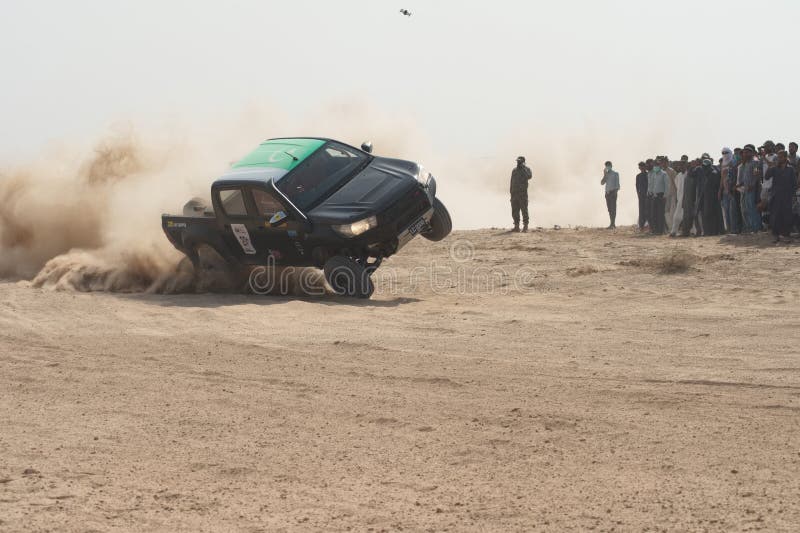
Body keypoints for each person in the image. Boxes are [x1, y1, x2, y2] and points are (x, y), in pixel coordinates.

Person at [766, 150, 796, 243]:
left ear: (785, 157)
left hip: (787, 196)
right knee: (775, 215)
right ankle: (776, 235)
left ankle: (786, 234)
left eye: (781, 157)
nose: (779, 158)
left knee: (787, 215)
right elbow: (767, 176)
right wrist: (770, 166)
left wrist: (792, 195)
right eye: (778, 157)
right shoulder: (774, 169)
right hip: (776, 196)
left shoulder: (790, 169)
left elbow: (794, 183)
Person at [737, 144, 762, 233]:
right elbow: (744, 178)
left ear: (751, 153)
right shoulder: (745, 163)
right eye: (744, 153)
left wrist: (753, 185)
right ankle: (749, 227)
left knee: (752, 208)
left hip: (752, 189)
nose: (745, 154)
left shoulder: (755, 162)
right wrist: (739, 185)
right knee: (745, 209)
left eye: (747, 152)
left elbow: (757, 175)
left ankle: (756, 227)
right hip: (744, 189)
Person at [697, 156, 724, 235]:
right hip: (705, 196)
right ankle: (708, 231)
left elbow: (714, 187)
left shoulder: (714, 173)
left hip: (712, 197)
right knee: (705, 214)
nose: (704, 168)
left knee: (712, 214)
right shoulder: (704, 174)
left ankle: (713, 231)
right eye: (703, 166)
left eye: (706, 166)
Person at [720, 147, 740, 234]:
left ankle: (734, 229)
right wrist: (720, 190)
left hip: (732, 189)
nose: (725, 154)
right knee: (726, 211)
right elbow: (722, 178)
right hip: (725, 190)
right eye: (723, 152)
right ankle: (728, 229)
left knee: (733, 211)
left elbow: (736, 175)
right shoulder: (723, 164)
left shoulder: (733, 162)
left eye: (726, 152)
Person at [509, 156, 532, 232]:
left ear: (523, 162)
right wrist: (511, 193)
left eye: (519, 161)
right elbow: (511, 182)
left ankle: (525, 226)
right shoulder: (514, 170)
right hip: (514, 194)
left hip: (523, 194)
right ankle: (516, 226)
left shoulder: (527, 169)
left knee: (524, 210)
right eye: (517, 161)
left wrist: (524, 168)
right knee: (515, 211)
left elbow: (529, 176)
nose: (518, 163)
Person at [649, 161, 669, 234]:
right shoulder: (653, 174)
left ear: (660, 166)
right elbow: (652, 184)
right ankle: (655, 230)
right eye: (654, 165)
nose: (655, 167)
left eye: (656, 165)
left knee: (660, 214)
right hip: (654, 195)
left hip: (661, 195)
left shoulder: (664, 174)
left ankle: (660, 231)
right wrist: (650, 191)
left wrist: (665, 195)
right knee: (653, 214)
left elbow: (667, 185)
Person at [670, 161, 687, 237]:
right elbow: (677, 187)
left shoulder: (688, 175)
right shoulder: (678, 176)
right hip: (680, 199)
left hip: (688, 199)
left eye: (682, 166)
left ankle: (692, 231)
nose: (680, 167)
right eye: (679, 166)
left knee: (688, 216)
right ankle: (673, 231)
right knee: (677, 216)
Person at [601, 161, 620, 229]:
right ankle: (611, 223)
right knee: (609, 209)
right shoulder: (607, 174)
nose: (607, 166)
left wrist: (615, 192)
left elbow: (617, 185)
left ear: (611, 165)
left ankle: (613, 223)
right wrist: (604, 174)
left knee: (613, 208)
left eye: (608, 165)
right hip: (607, 193)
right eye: (606, 165)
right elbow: (602, 183)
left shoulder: (615, 174)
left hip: (613, 193)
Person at [635, 162, 649, 230]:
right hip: (641, 195)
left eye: (642, 166)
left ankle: (647, 225)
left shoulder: (648, 174)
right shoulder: (638, 176)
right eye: (640, 166)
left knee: (647, 210)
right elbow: (637, 187)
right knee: (641, 210)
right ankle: (641, 225)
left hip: (648, 195)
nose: (641, 168)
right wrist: (638, 194)